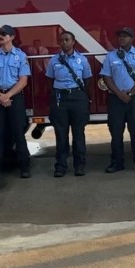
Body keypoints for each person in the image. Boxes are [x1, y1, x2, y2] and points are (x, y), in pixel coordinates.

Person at [100, 27, 135, 174]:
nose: (122, 38)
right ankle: (117, 163)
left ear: (132, 38)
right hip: (116, 99)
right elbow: (107, 77)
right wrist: (119, 93)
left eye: (125, 36)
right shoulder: (111, 56)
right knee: (116, 132)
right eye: (120, 36)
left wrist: (130, 92)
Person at [0, 25, 32, 180]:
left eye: (4, 34)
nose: (1, 36)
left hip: (15, 98)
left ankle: (24, 167)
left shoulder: (20, 56)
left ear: (12, 37)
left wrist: (8, 95)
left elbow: (23, 80)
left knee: (18, 132)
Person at [46, 30, 92, 177]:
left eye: (67, 40)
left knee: (79, 133)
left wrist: (81, 96)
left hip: (77, 97)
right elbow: (49, 80)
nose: (64, 42)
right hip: (60, 99)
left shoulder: (82, 60)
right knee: (61, 134)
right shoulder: (54, 60)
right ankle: (60, 167)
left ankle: (80, 166)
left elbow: (87, 80)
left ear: (73, 42)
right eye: (62, 40)